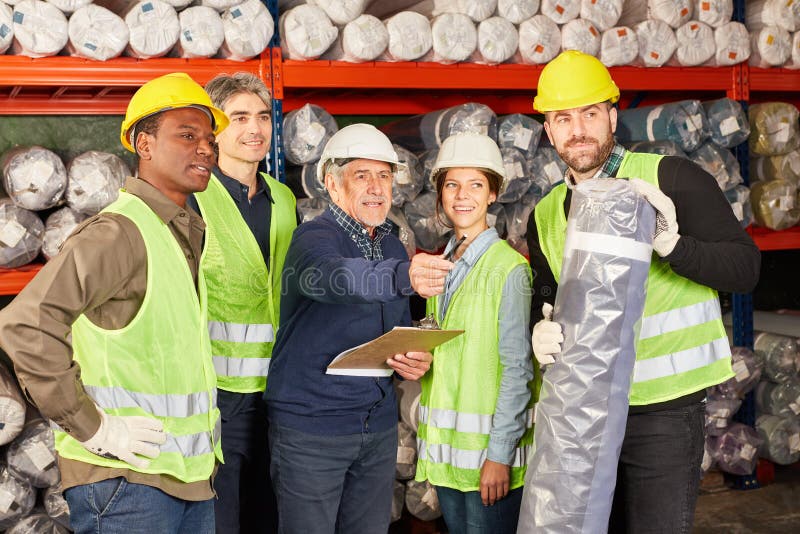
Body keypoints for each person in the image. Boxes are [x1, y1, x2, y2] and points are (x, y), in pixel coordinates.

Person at [526, 50, 761, 533]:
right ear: (548, 131)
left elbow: (745, 269)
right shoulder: (545, 213)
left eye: (590, 113)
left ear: (612, 116)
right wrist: (538, 328)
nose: (578, 130)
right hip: (584, 415)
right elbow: (546, 295)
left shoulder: (670, 178)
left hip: (664, 414)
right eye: (563, 118)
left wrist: (670, 243)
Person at [0, 72, 228, 533]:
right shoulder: (118, 232)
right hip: (127, 486)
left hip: (187, 479)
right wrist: (95, 428)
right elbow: (24, 325)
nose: (206, 148)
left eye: (210, 139)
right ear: (144, 145)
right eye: (187, 135)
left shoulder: (179, 230)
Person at [265, 123, 454, 534]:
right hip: (314, 430)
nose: (376, 187)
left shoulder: (390, 243)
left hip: (377, 427)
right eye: (361, 175)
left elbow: (395, 326)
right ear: (333, 185)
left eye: (384, 175)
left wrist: (414, 355)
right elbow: (337, 278)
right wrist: (404, 276)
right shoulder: (313, 239)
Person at [186, 72, 294, 534]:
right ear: (214, 129)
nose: (255, 129)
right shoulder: (193, 198)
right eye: (240, 117)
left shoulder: (284, 198)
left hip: (280, 389)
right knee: (223, 516)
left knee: (270, 513)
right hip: (220, 392)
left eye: (263, 117)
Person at [415, 132, 538, 534]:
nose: (461, 195)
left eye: (475, 185)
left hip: (489, 460)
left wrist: (499, 456)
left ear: (492, 194)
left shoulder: (509, 269)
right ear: (439, 193)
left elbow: (518, 370)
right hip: (449, 458)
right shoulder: (442, 263)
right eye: (451, 184)